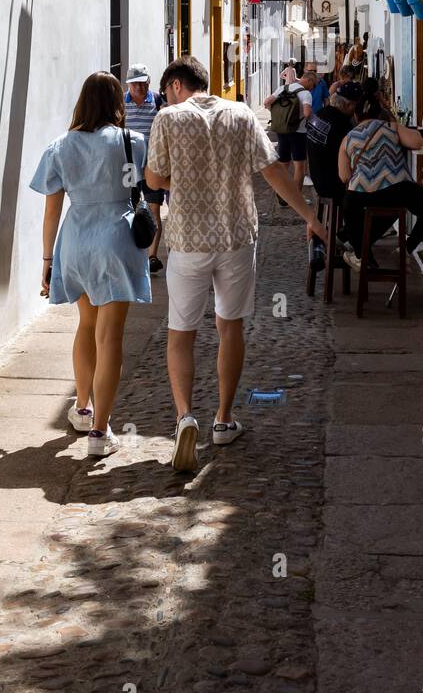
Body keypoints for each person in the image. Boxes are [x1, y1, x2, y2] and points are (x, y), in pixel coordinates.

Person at [145, 55, 327, 472]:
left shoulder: (169, 120)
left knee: (180, 334)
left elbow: (153, 181)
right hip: (235, 237)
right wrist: (310, 217)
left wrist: (186, 182)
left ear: (175, 85)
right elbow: (274, 171)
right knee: (229, 327)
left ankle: (184, 416)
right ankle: (224, 420)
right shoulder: (242, 114)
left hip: (188, 240)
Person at [30, 71, 151, 458]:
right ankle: (100, 431)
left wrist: (48, 260)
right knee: (110, 335)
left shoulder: (60, 147)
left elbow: (51, 210)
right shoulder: (132, 143)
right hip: (116, 238)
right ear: (117, 102)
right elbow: (137, 187)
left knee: (86, 324)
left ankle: (82, 407)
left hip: (77, 240)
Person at [338, 78, 423, 270]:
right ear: (380, 112)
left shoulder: (348, 138)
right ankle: (406, 249)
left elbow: (344, 176)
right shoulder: (391, 127)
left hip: (359, 197)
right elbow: (418, 142)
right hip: (394, 191)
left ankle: (363, 256)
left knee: (353, 211)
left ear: (356, 114)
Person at [304, 81, 361, 271]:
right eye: (355, 106)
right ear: (348, 105)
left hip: (318, 180)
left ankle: (321, 244)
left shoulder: (318, 115)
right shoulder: (343, 125)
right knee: (363, 200)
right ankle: (348, 246)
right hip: (333, 185)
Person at [124, 63, 165, 274]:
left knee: (154, 210)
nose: (139, 87)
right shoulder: (121, 104)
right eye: (135, 83)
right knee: (127, 209)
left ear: (149, 81)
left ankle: (151, 256)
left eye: (143, 82)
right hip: (128, 167)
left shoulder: (158, 102)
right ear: (128, 84)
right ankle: (131, 254)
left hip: (152, 166)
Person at [263, 69, 314, 193]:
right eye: (314, 84)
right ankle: (296, 198)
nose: (313, 87)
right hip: (298, 133)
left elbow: (266, 102)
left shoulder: (283, 88)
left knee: (284, 163)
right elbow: (307, 114)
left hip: (282, 130)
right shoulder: (306, 94)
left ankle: (281, 193)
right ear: (308, 80)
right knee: (299, 166)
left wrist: (278, 116)